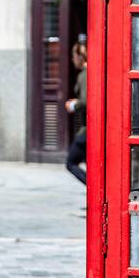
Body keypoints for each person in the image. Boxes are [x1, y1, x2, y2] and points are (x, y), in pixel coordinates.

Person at [65, 38, 87, 186]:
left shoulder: (84, 74)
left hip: (87, 130)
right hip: (91, 129)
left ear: (79, 56)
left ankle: (92, 187)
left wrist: (73, 105)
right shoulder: (89, 73)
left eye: (73, 56)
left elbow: (86, 101)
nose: (73, 60)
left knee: (71, 162)